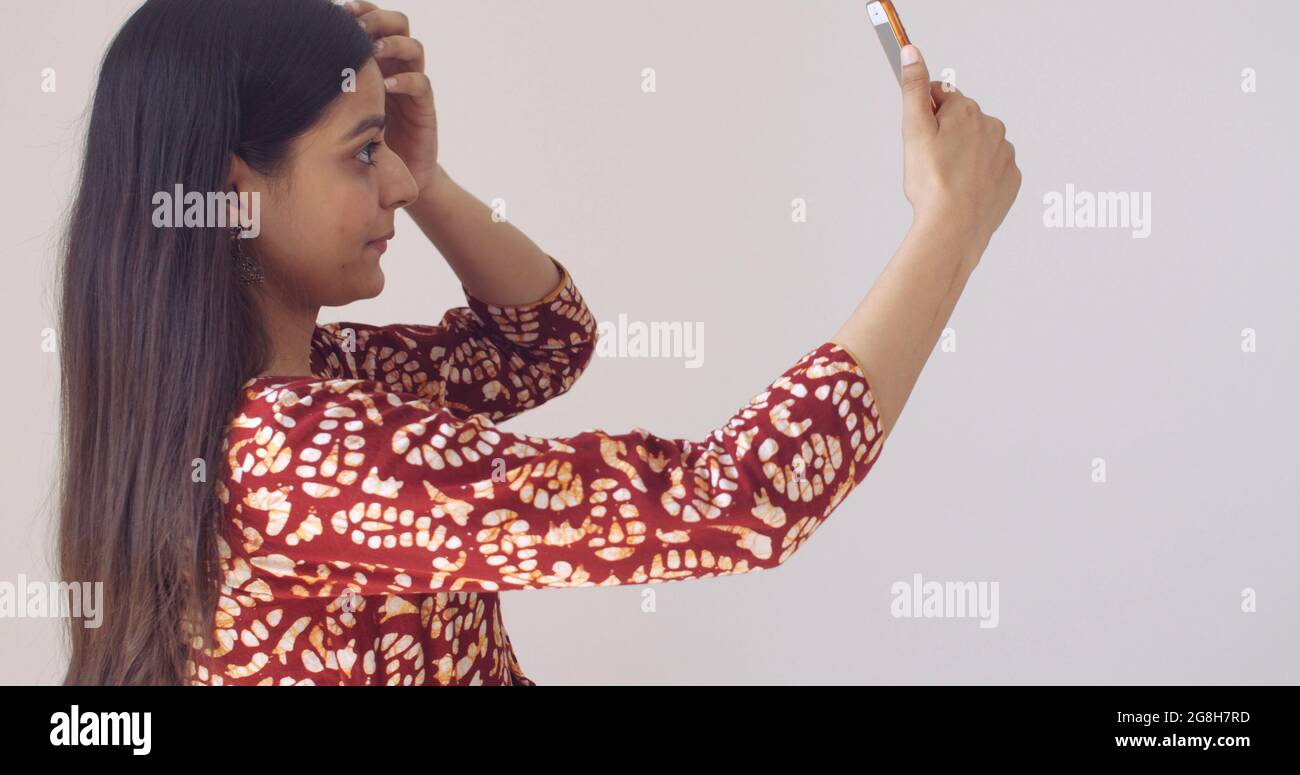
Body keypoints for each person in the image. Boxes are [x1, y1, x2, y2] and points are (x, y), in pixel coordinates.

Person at [56, 0, 1019, 685]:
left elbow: (541, 343)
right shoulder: (305, 452)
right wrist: (949, 230)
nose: (391, 181)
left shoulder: (286, 391)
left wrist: (426, 176)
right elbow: (739, 504)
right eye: (363, 151)